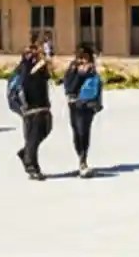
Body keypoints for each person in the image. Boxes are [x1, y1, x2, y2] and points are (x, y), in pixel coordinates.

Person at [14, 41, 54, 180]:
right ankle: (32, 166)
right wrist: (44, 57)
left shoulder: (38, 68)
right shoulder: (26, 66)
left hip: (43, 106)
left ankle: (25, 153)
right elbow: (36, 69)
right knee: (33, 138)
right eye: (31, 52)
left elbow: (48, 71)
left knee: (46, 130)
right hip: (32, 108)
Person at [62, 42, 103, 177]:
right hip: (74, 104)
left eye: (87, 57)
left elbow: (97, 86)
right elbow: (69, 87)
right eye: (82, 57)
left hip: (87, 105)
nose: (84, 60)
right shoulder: (73, 69)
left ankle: (83, 160)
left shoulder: (92, 71)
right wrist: (79, 74)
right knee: (76, 133)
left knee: (84, 131)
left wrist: (98, 103)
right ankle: (80, 156)